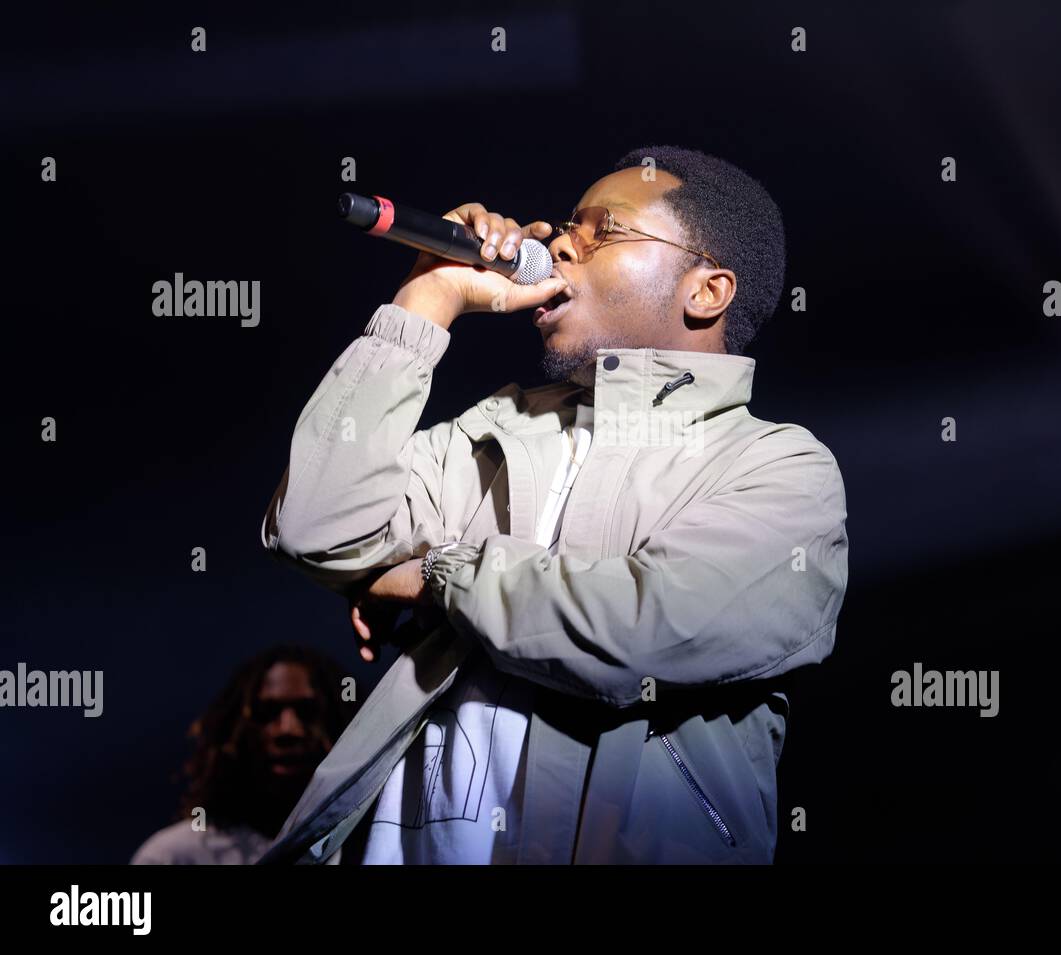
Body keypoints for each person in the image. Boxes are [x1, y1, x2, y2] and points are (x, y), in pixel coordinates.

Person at [258, 146, 849, 864]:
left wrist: (438, 577)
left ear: (706, 290)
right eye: (569, 225)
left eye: (604, 230)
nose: (560, 242)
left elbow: (644, 629)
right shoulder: (504, 425)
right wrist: (428, 300)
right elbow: (314, 524)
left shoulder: (780, 468)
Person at [131, 645, 357, 864]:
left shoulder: (370, 845)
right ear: (233, 732)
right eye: (266, 713)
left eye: (307, 712)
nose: (287, 730)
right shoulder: (173, 857)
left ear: (341, 725)